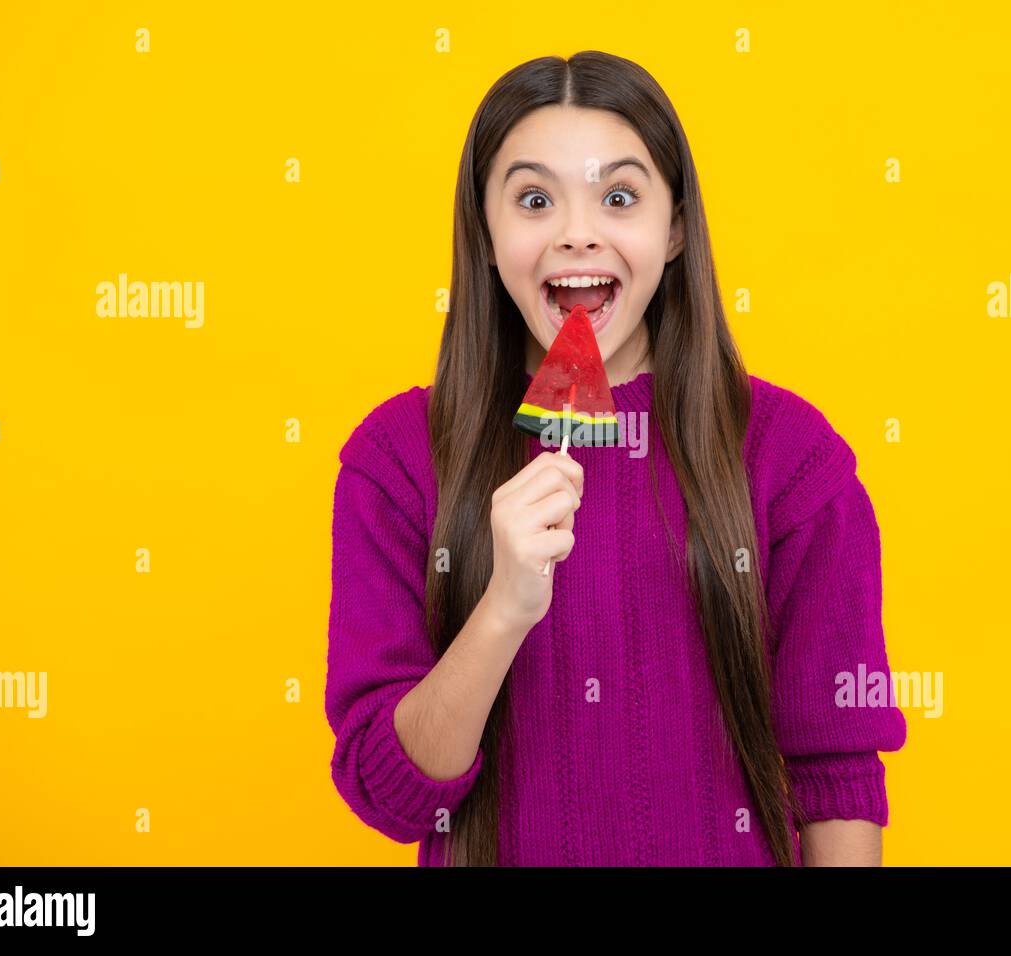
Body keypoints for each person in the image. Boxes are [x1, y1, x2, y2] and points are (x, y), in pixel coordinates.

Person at [325, 50, 906, 866]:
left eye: (620, 197)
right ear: (485, 237)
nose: (576, 232)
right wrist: (504, 605)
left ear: (673, 229)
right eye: (533, 200)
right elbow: (391, 797)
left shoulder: (791, 456)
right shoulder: (396, 459)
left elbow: (836, 771)